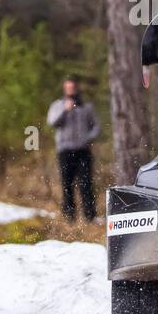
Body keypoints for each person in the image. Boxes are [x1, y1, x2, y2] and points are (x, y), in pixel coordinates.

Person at [46, 76, 100, 222]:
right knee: (67, 184)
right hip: (65, 151)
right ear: (64, 88)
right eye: (68, 88)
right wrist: (65, 110)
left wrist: (88, 138)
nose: (71, 90)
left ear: (77, 88)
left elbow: (95, 126)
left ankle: (90, 216)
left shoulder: (86, 106)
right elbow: (52, 123)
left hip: (83, 151)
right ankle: (70, 216)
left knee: (86, 183)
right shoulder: (57, 105)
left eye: (73, 88)